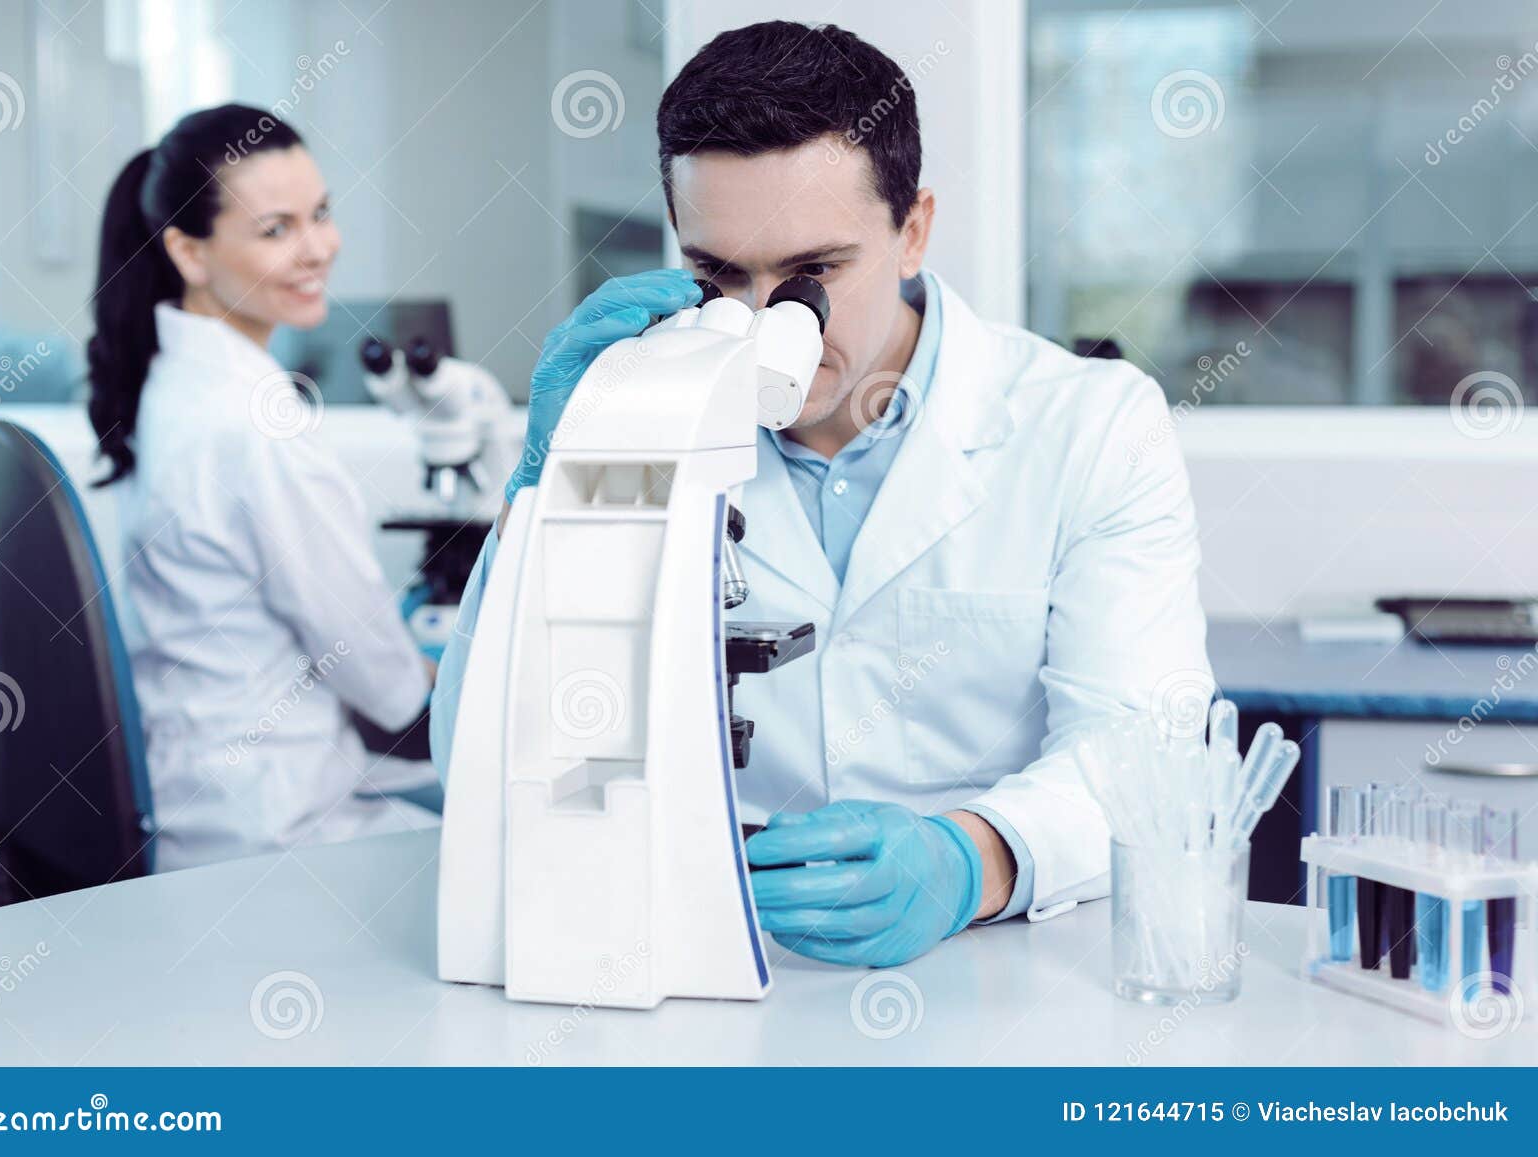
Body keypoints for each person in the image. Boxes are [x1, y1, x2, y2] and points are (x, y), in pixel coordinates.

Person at [432, 23, 1211, 967]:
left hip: (994, 966)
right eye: (719, 275)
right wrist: (547, 488)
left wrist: (971, 859)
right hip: (708, 955)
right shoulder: (648, 418)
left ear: (913, 230)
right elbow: (473, 762)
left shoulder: (1089, 425)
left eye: (812, 276)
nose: (766, 324)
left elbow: (1146, 753)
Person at [86, 104, 438, 871]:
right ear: (188, 250)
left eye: (321, 214)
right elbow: (390, 691)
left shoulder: (169, 381)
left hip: (205, 803)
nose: (318, 250)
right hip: (273, 836)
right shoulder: (258, 425)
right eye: (276, 230)